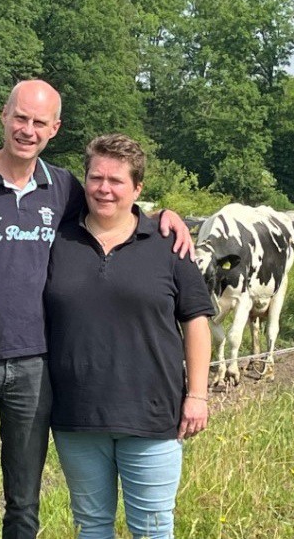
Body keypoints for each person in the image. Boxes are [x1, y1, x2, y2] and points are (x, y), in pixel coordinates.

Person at [0, 80, 193, 539]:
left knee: (24, 504)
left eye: (39, 122)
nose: (27, 130)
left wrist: (163, 217)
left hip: (36, 363)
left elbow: (111, 205)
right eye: (20, 118)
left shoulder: (62, 186)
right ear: (3, 117)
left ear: (55, 129)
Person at [44, 134, 213, 539]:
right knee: (91, 526)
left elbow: (196, 322)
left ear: (138, 189)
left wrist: (198, 395)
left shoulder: (169, 244)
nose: (104, 188)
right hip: (76, 415)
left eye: (117, 181)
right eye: (96, 177)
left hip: (153, 415)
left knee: (153, 528)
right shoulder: (55, 241)